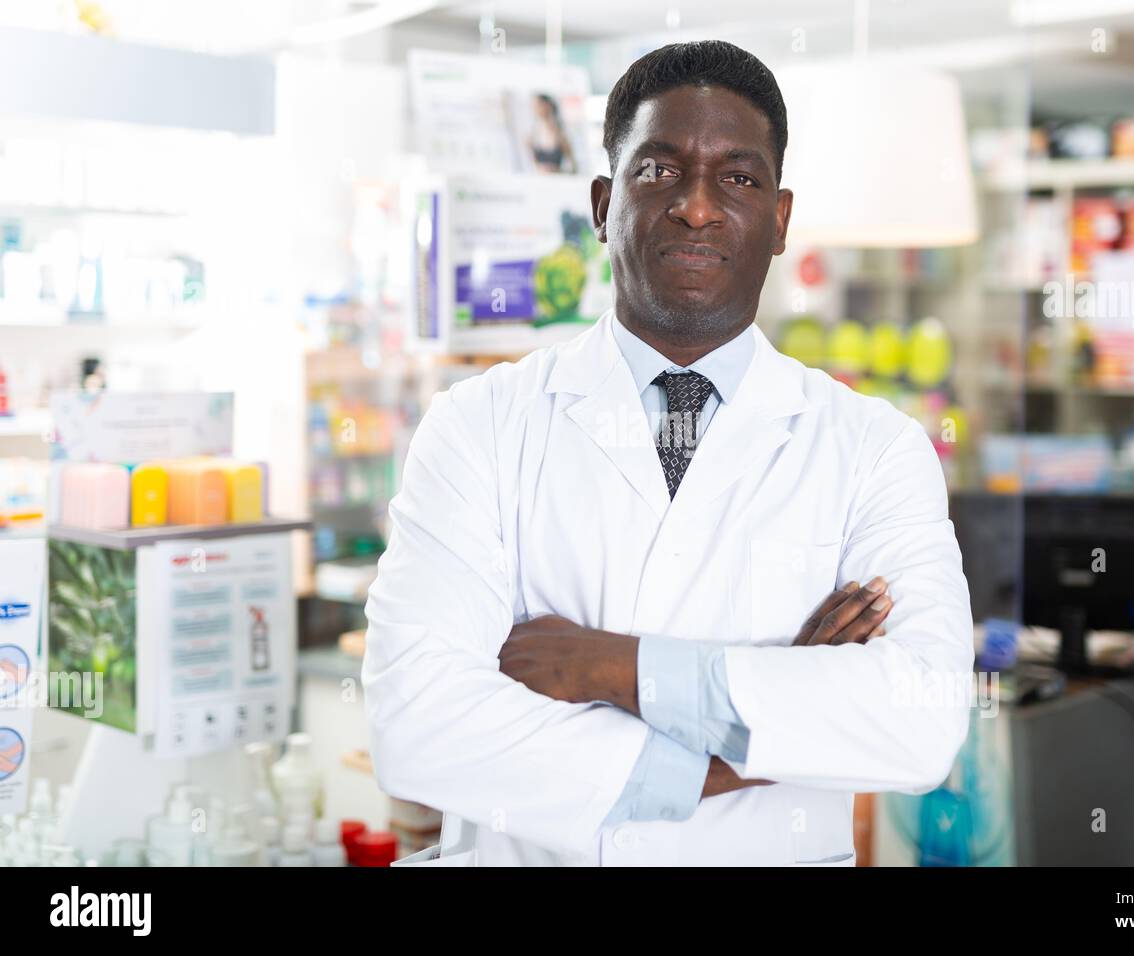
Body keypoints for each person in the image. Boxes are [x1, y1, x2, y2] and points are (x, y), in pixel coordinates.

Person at [363, 40, 973, 866]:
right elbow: (420, 727)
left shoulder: (874, 450)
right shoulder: (479, 426)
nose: (696, 206)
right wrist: (772, 725)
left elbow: (920, 721)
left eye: (739, 177)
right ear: (603, 203)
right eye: (658, 171)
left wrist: (610, 665)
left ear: (782, 218)